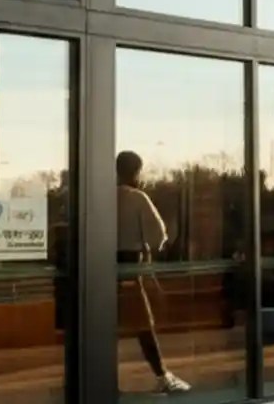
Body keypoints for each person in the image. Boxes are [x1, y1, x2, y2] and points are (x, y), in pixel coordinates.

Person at [115, 150, 191, 395]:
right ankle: (162, 375)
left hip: (97, 268)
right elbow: (158, 236)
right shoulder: (137, 198)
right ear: (136, 171)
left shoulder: (98, 197)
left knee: (102, 325)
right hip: (129, 269)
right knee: (143, 325)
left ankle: (96, 376)